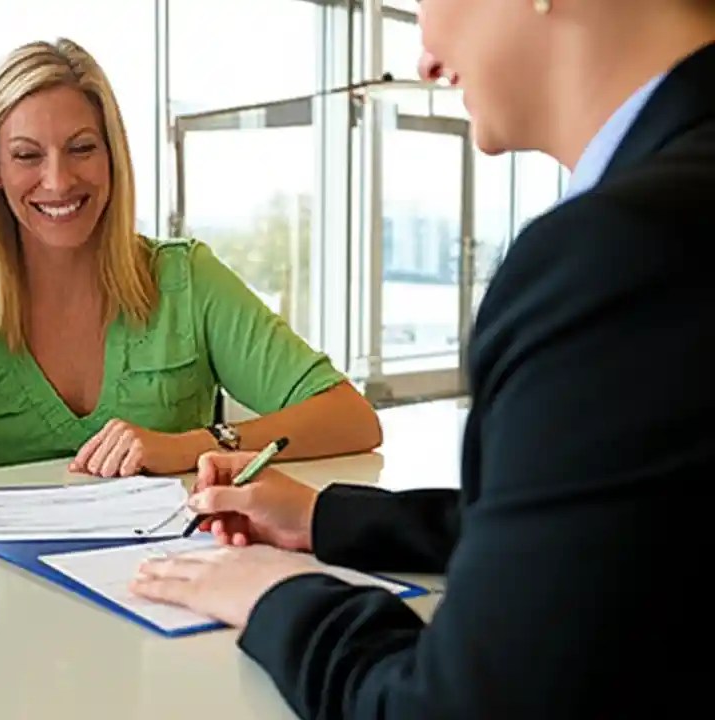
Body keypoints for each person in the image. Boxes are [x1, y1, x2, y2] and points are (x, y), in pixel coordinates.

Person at [129, 0, 715, 717]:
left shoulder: (618, 252)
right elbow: (617, 523)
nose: (425, 55)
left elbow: (449, 707)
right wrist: (328, 519)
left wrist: (273, 594)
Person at [0, 38, 382, 479]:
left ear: (112, 157)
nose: (58, 181)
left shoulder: (187, 280)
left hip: (175, 559)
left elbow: (352, 419)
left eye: (82, 148)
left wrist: (190, 445)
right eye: (27, 155)